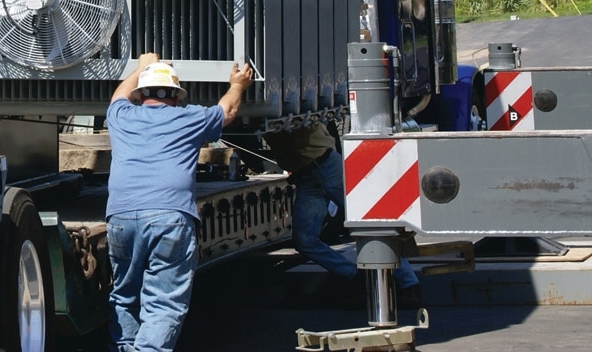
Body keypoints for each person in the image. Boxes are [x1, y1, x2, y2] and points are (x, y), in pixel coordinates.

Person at [106, 53, 255, 352]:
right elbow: (227, 112)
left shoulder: (121, 116)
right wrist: (237, 85)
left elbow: (117, 97)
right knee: (163, 302)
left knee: (124, 295)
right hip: (169, 217)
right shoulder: (189, 117)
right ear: (176, 95)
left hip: (121, 217)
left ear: (140, 94)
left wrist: (140, 68)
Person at [262, 121, 421, 307]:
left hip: (327, 166)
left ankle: (409, 285)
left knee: (372, 222)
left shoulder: (287, 109)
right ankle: (355, 276)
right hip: (306, 176)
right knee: (305, 241)